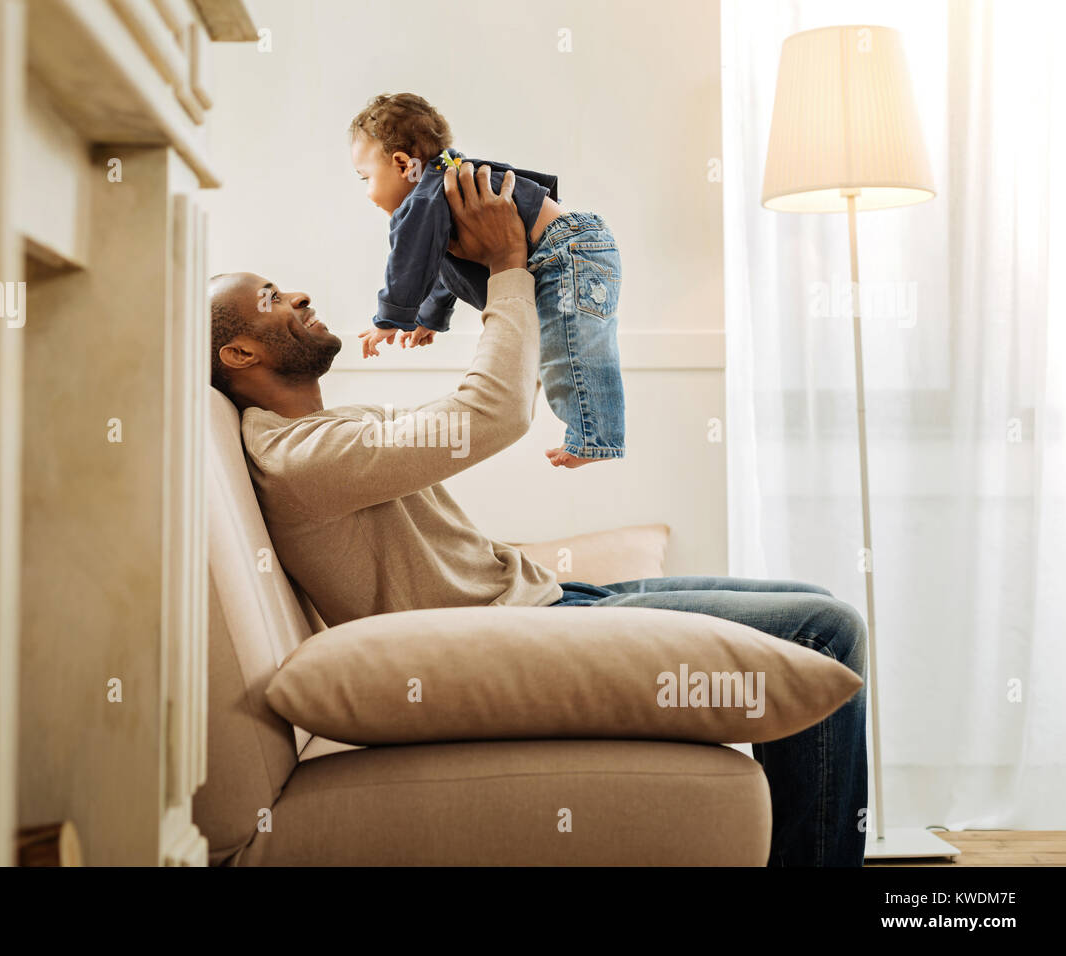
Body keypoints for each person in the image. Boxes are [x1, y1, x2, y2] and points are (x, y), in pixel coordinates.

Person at [209, 160, 867, 866]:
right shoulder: (302, 458)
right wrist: (507, 264)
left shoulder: (318, 438)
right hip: (532, 629)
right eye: (272, 298)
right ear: (240, 350)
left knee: (816, 606)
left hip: (550, 598)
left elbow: (465, 415)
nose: (299, 294)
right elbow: (486, 416)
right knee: (824, 634)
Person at [350, 92, 624, 468]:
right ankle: (594, 436)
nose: (367, 193)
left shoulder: (425, 198)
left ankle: (594, 439)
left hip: (564, 251)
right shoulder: (442, 188)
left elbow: (409, 260)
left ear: (401, 164)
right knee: (571, 349)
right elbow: (445, 269)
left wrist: (389, 319)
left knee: (570, 350)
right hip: (577, 245)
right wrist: (428, 318)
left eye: (365, 178)